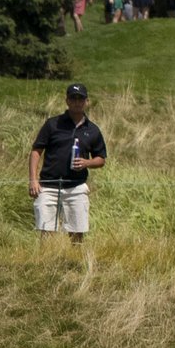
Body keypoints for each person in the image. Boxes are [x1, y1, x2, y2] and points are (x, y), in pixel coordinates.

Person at [28, 83, 107, 250]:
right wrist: (33, 180)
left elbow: (101, 159)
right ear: (67, 101)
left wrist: (87, 163)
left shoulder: (92, 130)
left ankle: (73, 264)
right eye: (73, 98)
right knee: (46, 230)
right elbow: (36, 151)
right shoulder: (53, 124)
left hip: (76, 186)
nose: (77, 102)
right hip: (48, 185)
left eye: (80, 99)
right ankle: (46, 264)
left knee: (77, 231)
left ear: (87, 101)